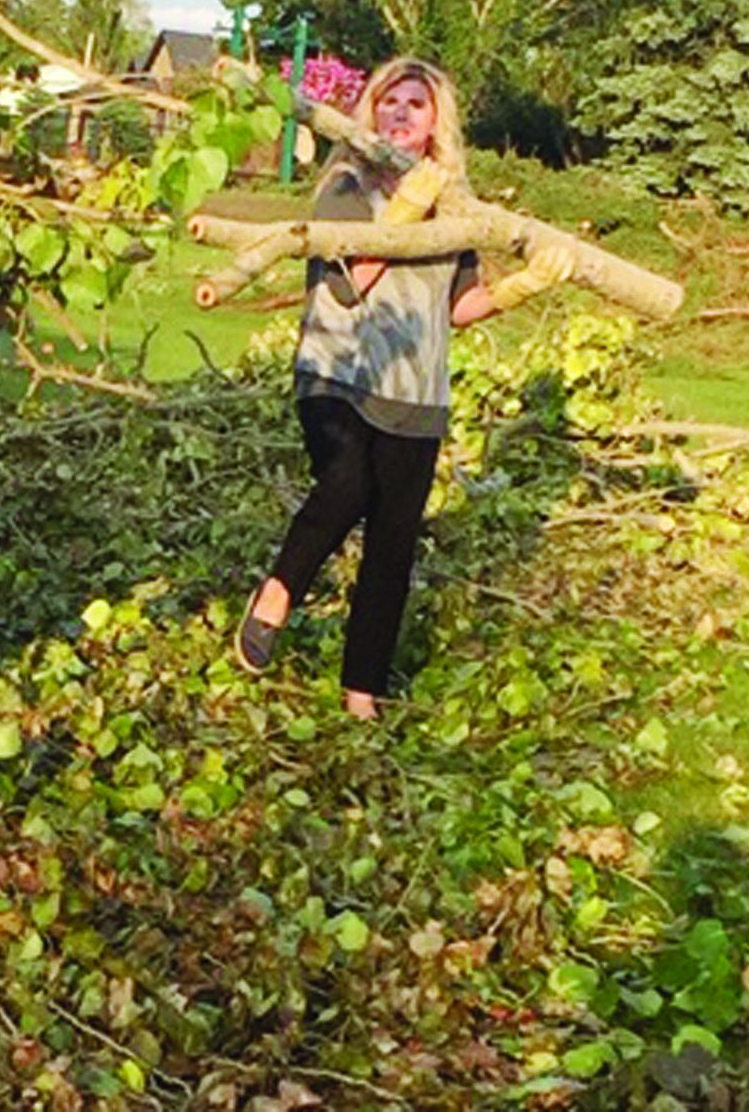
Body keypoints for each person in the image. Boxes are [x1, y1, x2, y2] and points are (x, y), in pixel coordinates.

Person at [233, 57, 575, 719]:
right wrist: (406, 210)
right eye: (389, 101)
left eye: (415, 105)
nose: (399, 113)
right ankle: (277, 593)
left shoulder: (456, 208)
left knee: (392, 545)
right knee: (347, 485)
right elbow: (346, 285)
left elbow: (461, 305)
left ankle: (362, 693)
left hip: (415, 393)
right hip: (338, 372)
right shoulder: (346, 186)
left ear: (436, 124)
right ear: (371, 111)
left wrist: (522, 287)